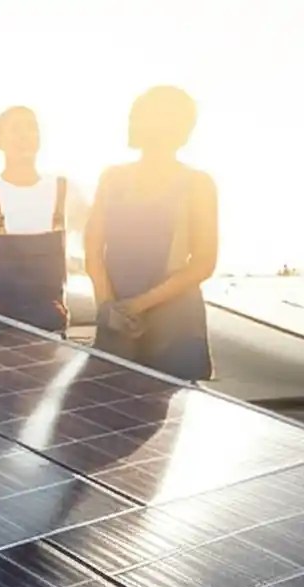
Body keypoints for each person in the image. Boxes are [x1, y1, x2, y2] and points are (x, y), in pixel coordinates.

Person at [85, 86, 218, 381]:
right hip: (117, 317)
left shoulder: (197, 184)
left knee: (170, 416)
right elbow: (93, 250)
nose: (133, 123)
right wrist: (108, 306)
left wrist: (138, 305)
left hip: (174, 325)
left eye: (140, 116)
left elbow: (203, 263)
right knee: (108, 408)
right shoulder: (112, 178)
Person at [0, 106, 90, 335]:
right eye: (16, 129)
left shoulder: (66, 191)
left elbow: (97, 245)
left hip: (50, 329)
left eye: (31, 127)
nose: (25, 135)